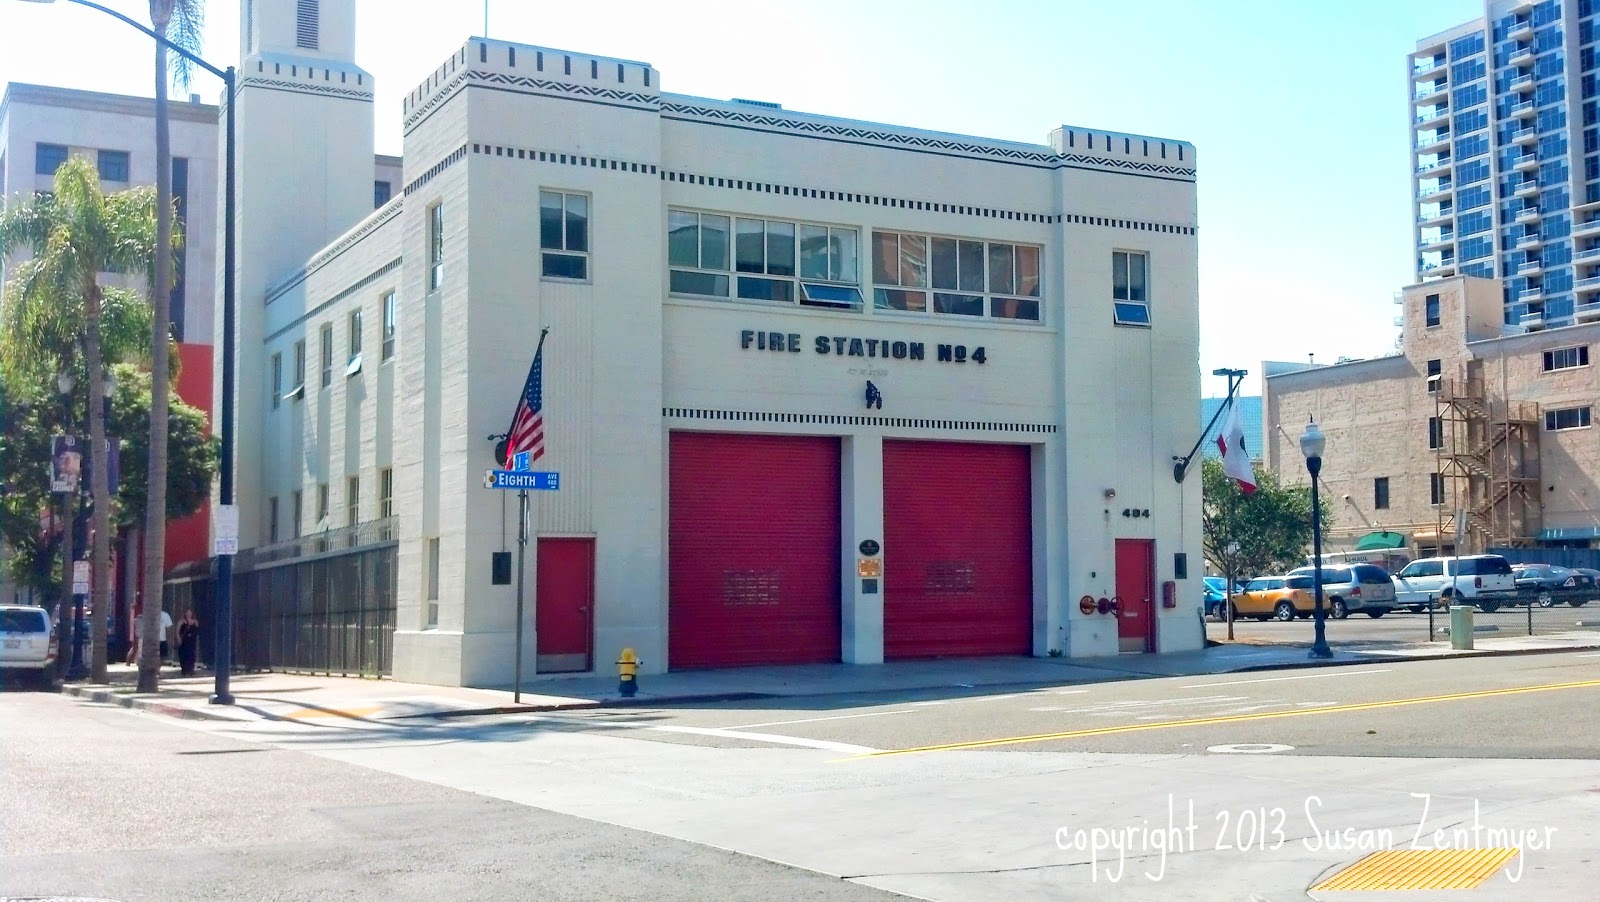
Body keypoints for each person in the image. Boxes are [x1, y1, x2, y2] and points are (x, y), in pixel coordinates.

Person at [176, 609, 200, 677]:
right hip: (184, 641)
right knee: (184, 655)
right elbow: (177, 631)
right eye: (187, 612)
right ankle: (184, 670)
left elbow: (197, 631)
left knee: (192, 655)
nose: (188, 614)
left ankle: (191, 669)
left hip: (192, 641)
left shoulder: (195, 622)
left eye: (190, 612)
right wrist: (179, 639)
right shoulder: (181, 621)